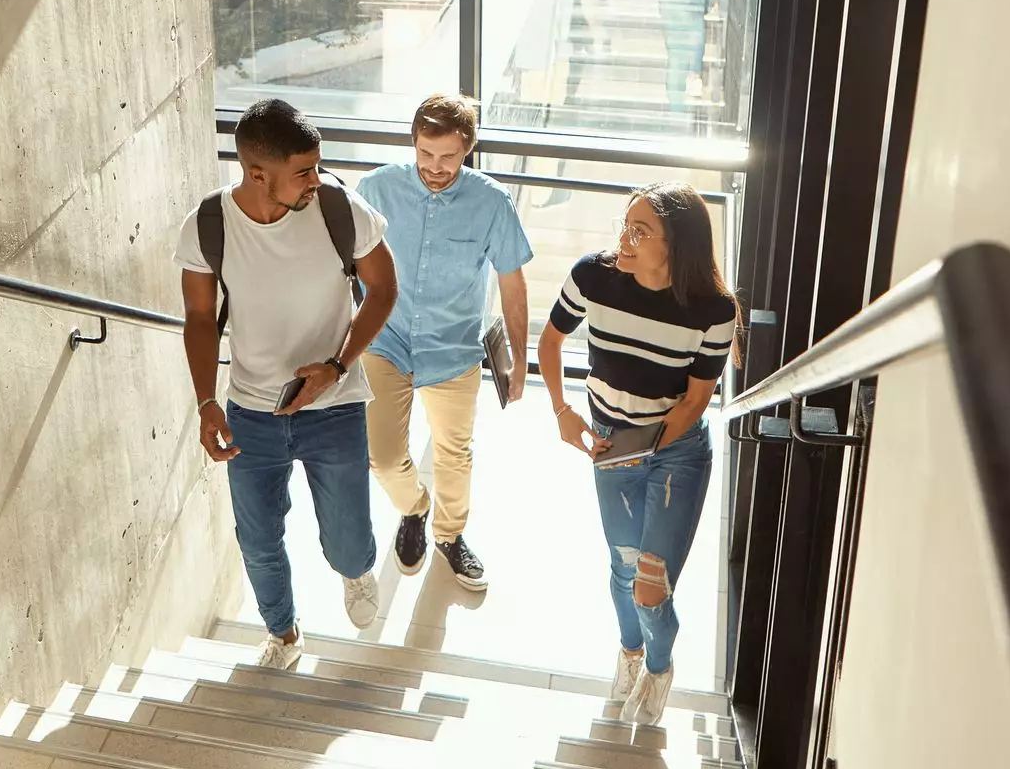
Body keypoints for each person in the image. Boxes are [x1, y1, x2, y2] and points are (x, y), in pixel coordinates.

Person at [176, 99, 400, 670]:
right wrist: (206, 401)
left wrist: (338, 365)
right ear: (256, 174)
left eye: (317, 166)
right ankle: (284, 632)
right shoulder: (208, 226)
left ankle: (355, 572)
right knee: (258, 540)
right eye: (303, 171)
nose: (315, 180)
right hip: (252, 411)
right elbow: (200, 319)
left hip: (336, 406)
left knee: (347, 541)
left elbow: (383, 290)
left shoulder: (339, 210)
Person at [538, 184, 739, 726]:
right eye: (623, 226)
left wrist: (644, 447)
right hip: (610, 444)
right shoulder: (593, 276)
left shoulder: (714, 309)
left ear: (677, 245)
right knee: (623, 568)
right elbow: (550, 342)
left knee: (652, 584)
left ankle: (658, 663)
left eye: (640, 232)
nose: (623, 241)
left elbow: (697, 400)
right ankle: (628, 653)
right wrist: (563, 412)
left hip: (676, 451)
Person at [354, 94, 534, 592]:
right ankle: (415, 506)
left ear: (467, 149)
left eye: (448, 157)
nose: (435, 168)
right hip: (385, 340)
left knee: (455, 453)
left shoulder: (492, 202)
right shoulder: (376, 188)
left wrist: (520, 361)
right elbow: (339, 257)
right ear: (414, 144)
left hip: (453, 348)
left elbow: (513, 284)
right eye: (425, 155)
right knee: (383, 456)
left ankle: (450, 537)